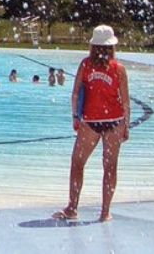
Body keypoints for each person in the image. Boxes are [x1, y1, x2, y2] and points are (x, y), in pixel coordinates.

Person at [54, 24, 130, 223]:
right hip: (114, 121)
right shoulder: (119, 68)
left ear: (93, 46)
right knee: (110, 167)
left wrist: (75, 117)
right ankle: (105, 212)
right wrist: (126, 125)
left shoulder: (86, 65)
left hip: (91, 121)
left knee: (77, 163)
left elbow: (75, 93)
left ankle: (72, 207)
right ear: (111, 46)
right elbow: (125, 101)